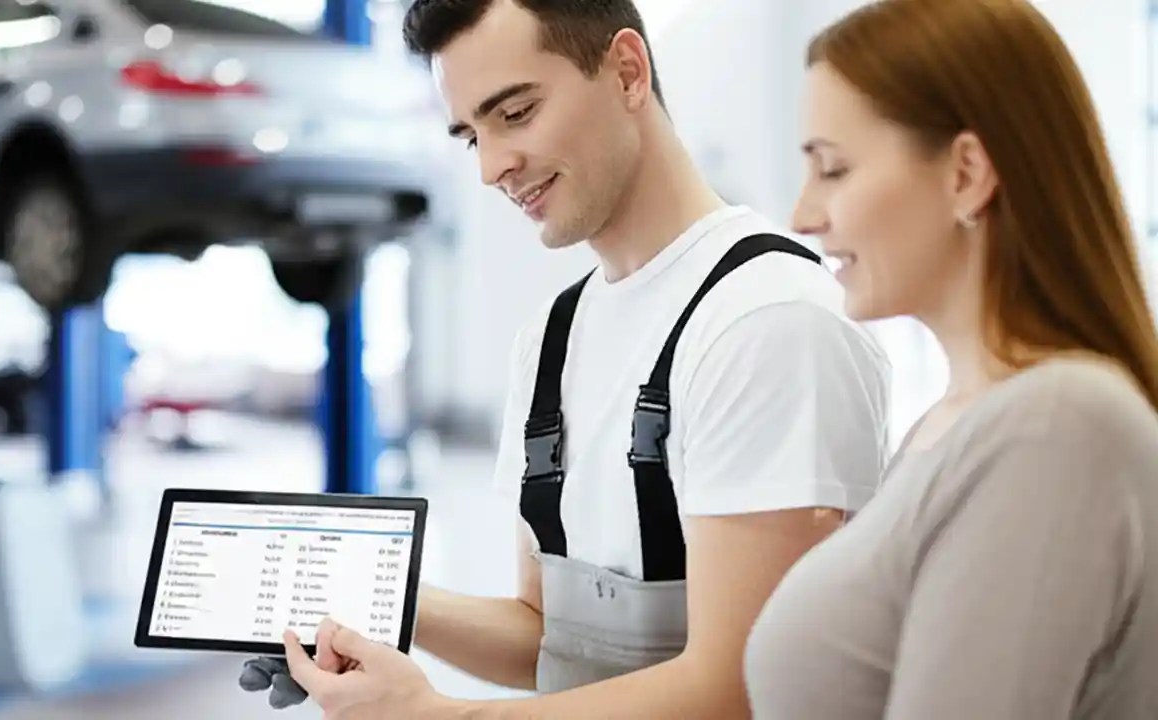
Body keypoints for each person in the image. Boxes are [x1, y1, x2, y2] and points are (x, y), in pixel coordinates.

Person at [240, 0, 889, 716]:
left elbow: (740, 687)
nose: (492, 167)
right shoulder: (552, 338)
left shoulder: (766, 321)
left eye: (515, 114)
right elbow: (551, 637)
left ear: (628, 71)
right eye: (470, 136)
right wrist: (360, 607)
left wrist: (438, 716)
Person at [741, 1, 1158, 718]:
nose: (803, 215)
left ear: (966, 172)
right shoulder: (954, 426)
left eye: (833, 169)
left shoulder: (1055, 429)